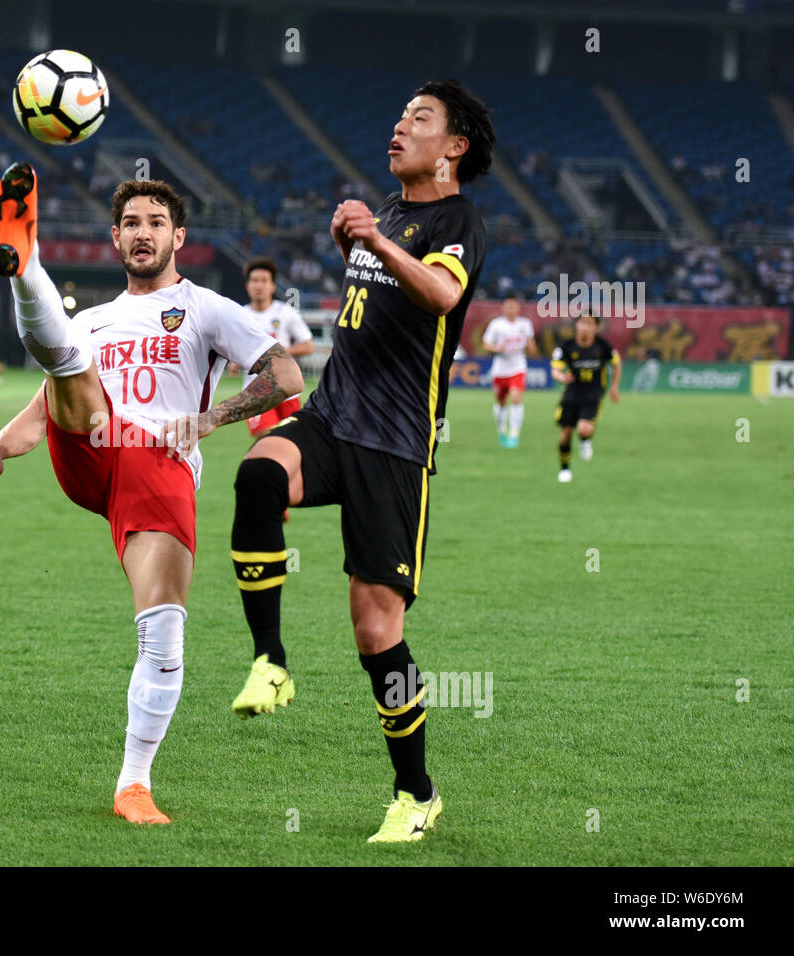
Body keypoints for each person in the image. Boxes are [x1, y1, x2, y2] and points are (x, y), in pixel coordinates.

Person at [0, 165, 301, 826]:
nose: (142, 234)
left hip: (161, 464)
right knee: (69, 361)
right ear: (115, 239)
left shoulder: (207, 308)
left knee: (164, 633)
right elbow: (51, 403)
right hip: (92, 448)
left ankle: (133, 787)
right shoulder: (94, 320)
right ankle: (24, 262)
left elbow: (285, 374)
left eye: (155, 223)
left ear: (178, 235)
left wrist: (210, 418)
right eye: (130, 225)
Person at [227, 79, 492, 843]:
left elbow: (441, 296)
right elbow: (377, 301)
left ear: (454, 146)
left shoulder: (456, 219)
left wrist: (372, 241)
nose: (399, 125)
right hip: (332, 417)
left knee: (377, 634)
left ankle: (417, 793)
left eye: (420, 118)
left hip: (396, 445)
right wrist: (360, 242)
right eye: (400, 113)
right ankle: (271, 661)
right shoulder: (394, 213)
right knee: (258, 475)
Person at [240, 257, 314, 439]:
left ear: (273, 286)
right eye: (254, 281)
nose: (259, 286)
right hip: (255, 391)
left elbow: (307, 345)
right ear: (248, 285)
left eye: (264, 281)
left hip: (286, 390)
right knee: (266, 438)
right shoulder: (239, 315)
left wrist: (277, 352)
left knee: (292, 442)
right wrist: (235, 361)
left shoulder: (286, 313)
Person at [552, 312, 621, 483]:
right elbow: (556, 370)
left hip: (593, 393)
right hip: (571, 393)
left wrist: (614, 386)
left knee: (584, 428)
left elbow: (617, 363)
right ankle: (565, 469)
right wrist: (562, 377)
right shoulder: (566, 347)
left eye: (590, 324)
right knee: (566, 433)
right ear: (576, 325)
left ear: (596, 328)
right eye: (582, 323)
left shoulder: (603, 346)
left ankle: (585, 440)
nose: (585, 327)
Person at [481, 291, 537, 448]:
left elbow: (531, 346)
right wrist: (497, 348)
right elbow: (486, 344)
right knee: (500, 401)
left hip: (518, 366)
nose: (511, 309)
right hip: (500, 368)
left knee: (516, 397)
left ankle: (514, 433)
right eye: (508, 306)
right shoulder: (496, 325)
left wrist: (531, 346)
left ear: (518, 308)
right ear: (503, 308)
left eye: (514, 306)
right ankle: (501, 427)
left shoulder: (525, 324)